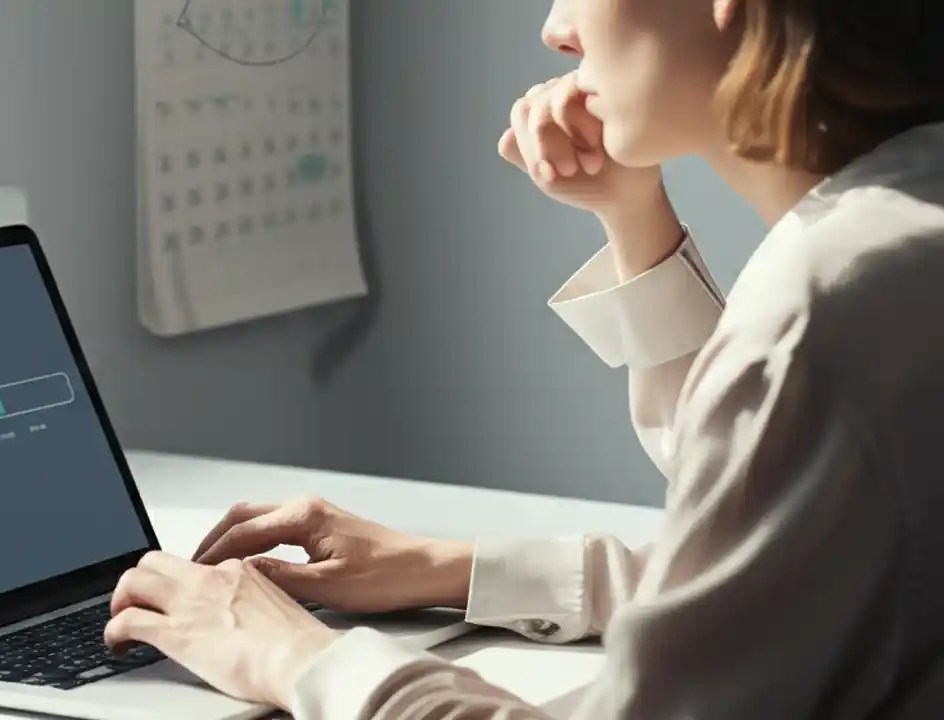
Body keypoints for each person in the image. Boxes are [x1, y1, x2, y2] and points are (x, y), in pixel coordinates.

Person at [104, 0, 944, 717]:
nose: (556, 28)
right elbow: (782, 572)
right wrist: (450, 568)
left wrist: (295, 659)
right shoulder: (898, 237)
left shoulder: (827, 309)